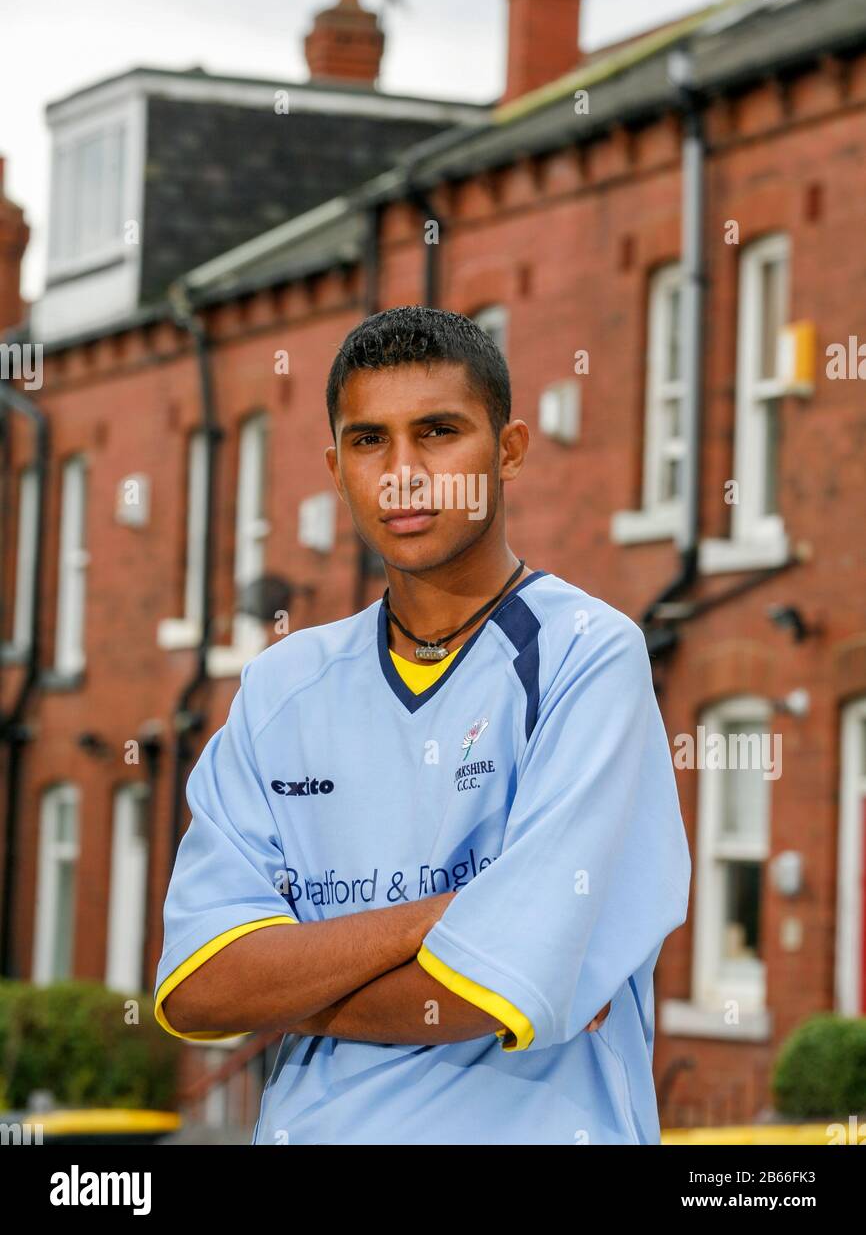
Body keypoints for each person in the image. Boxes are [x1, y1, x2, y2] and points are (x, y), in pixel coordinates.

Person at [153, 304, 691, 1145]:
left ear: (509, 449)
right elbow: (199, 990)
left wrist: (292, 975)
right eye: (370, 441)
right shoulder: (280, 686)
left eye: (438, 432)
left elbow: (497, 986)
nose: (403, 472)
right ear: (336, 468)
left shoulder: (589, 655)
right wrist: (448, 916)